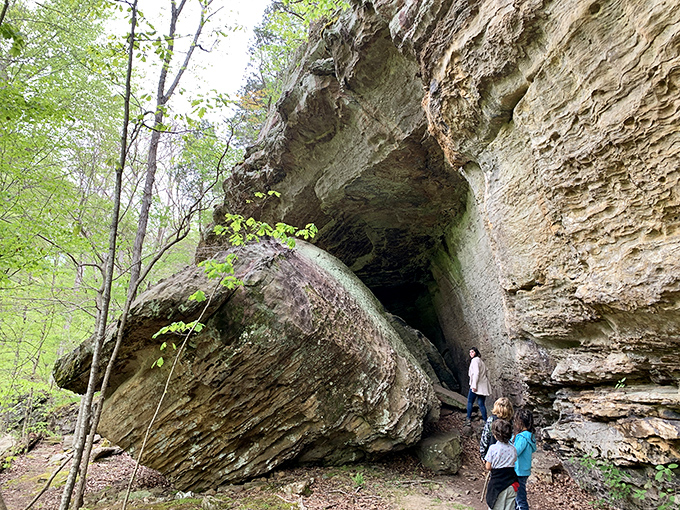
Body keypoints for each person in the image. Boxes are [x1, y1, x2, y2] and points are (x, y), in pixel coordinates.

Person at [484, 419, 518, 510]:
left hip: (497, 486)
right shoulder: (513, 449)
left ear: (495, 435)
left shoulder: (493, 449)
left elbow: (488, 466)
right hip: (511, 484)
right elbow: (513, 462)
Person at [512, 409, 537, 510]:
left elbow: (515, 452)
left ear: (520, 422)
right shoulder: (530, 436)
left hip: (518, 471)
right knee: (516, 497)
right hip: (524, 470)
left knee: (520, 498)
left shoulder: (522, 438)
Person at [467, 347, 491, 425]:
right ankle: (485, 420)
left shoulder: (475, 360)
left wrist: (474, 385)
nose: (471, 354)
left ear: (476, 353)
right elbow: (487, 372)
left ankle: (468, 418)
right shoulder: (481, 361)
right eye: (470, 352)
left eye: (472, 352)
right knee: (481, 403)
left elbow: (476, 373)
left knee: (470, 401)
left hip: (476, 385)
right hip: (482, 386)